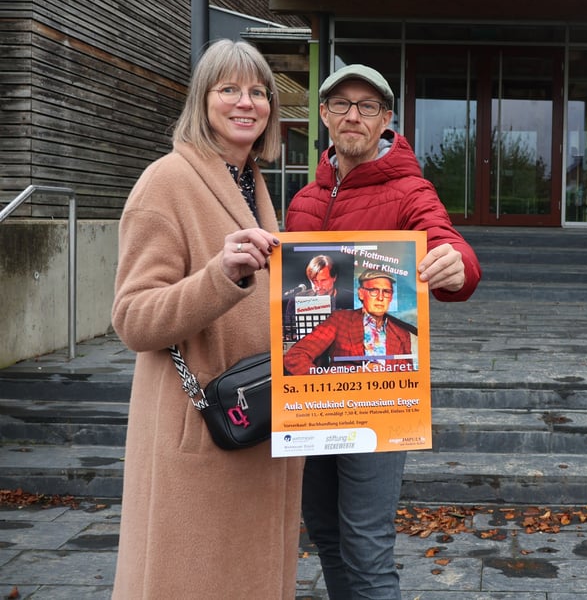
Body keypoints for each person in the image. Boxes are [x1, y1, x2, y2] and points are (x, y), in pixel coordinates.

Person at [110, 39, 303, 598]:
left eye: (259, 92)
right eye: (229, 90)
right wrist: (220, 276)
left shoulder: (253, 182)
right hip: (200, 431)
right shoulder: (166, 180)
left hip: (257, 428)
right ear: (203, 100)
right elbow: (132, 317)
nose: (247, 102)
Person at [286, 63, 481, 598]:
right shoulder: (303, 201)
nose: (353, 115)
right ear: (323, 115)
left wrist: (457, 264)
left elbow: (447, 242)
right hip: (309, 399)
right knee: (325, 533)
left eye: (367, 106)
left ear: (385, 119)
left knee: (366, 543)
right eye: (341, 104)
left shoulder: (409, 190)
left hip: (379, 401)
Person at [283, 269, 413, 374]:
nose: (380, 297)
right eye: (373, 291)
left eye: (386, 292)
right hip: (345, 400)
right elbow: (295, 357)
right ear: (361, 294)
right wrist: (336, 379)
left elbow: (409, 375)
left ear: (391, 297)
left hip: (388, 401)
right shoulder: (339, 320)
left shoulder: (401, 332)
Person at [283, 253, 354, 341]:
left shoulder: (351, 299)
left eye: (323, 280)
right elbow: (289, 332)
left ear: (334, 278)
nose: (319, 286)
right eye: (314, 281)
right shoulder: (297, 299)